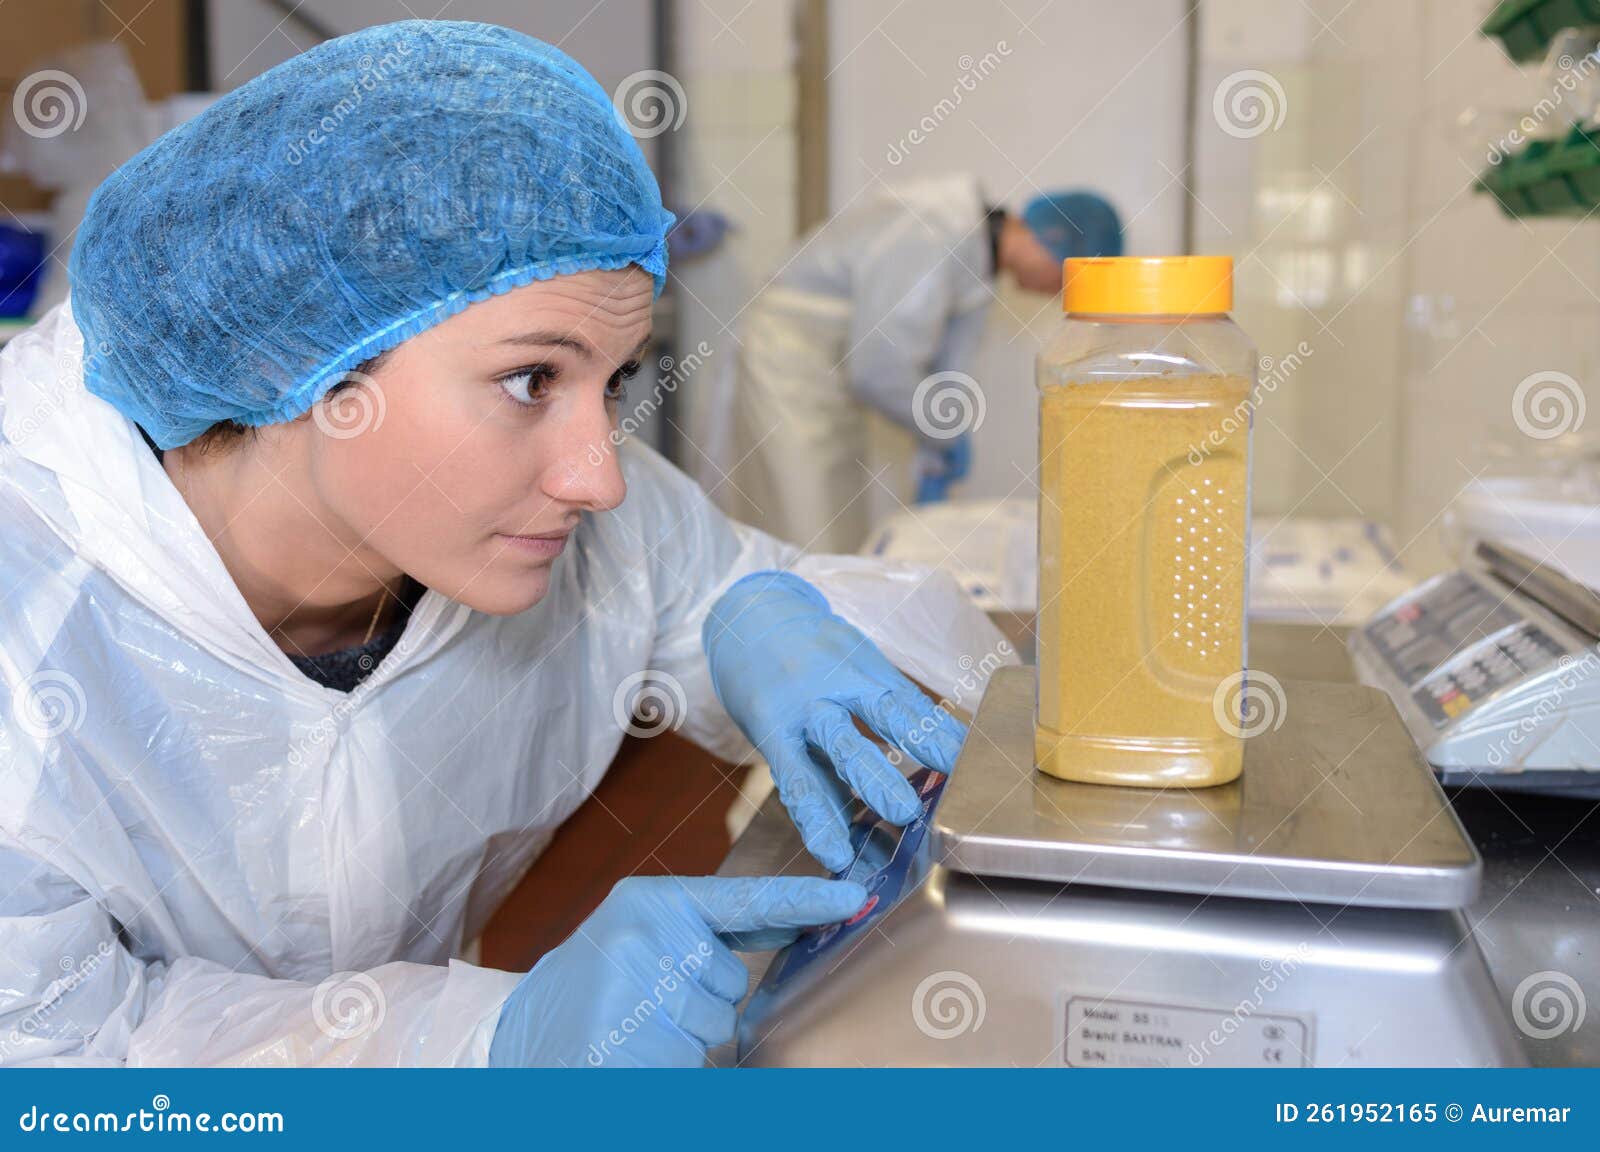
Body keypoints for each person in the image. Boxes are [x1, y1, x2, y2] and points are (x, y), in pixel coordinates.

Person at [0, 21, 1012, 1067]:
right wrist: (482, 1044)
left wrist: (755, 619)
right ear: (300, 356)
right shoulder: (27, 647)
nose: (600, 476)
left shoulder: (575, 530)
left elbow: (741, 594)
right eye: (532, 379)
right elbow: (55, 1072)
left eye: (613, 382)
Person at [702, 175, 1121, 552]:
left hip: (828, 372)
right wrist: (937, 431)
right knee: (804, 528)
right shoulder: (937, 231)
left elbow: (945, 367)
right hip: (789, 361)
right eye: (1070, 276)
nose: (1058, 292)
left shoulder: (976, 259)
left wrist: (941, 434)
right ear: (1052, 239)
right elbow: (879, 369)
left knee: (835, 528)